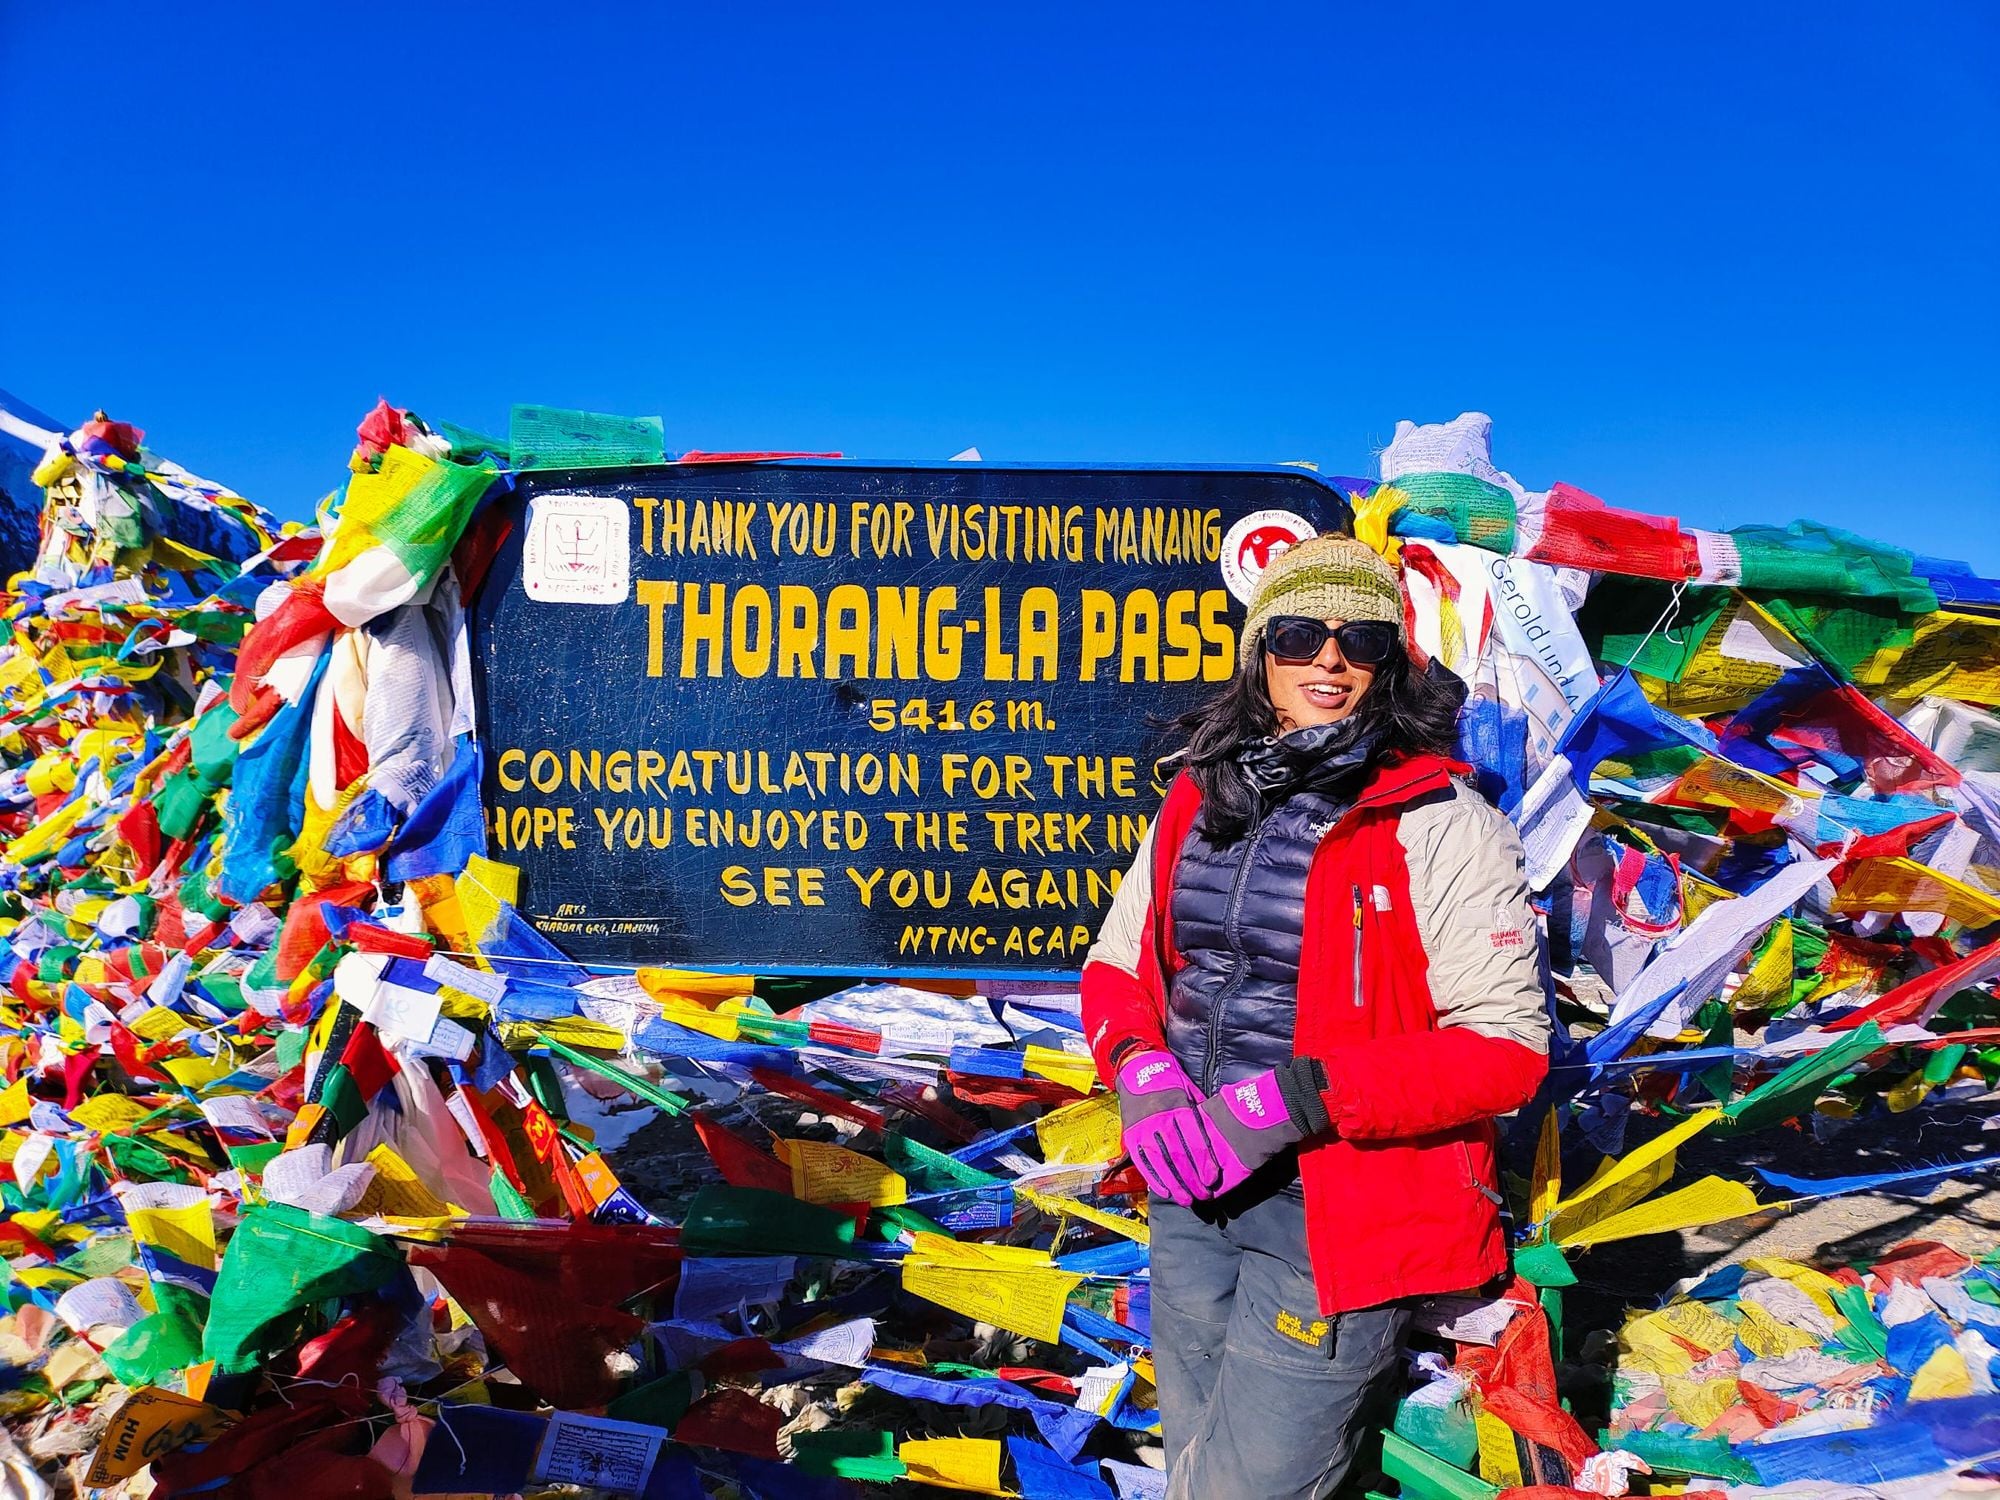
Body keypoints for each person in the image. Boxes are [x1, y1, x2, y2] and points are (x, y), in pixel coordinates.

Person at [1082, 534, 1551, 1500]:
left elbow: (1504, 1050)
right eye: (1298, 633)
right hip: (1190, 1194)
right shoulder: (1195, 799)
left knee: (1246, 1489)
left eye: (1361, 638)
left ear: (1392, 662)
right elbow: (1118, 966)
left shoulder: (1443, 823)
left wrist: (1289, 1102)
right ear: (1260, 650)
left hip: (1337, 1221)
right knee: (1194, 1461)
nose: (1328, 660)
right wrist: (1142, 1071)